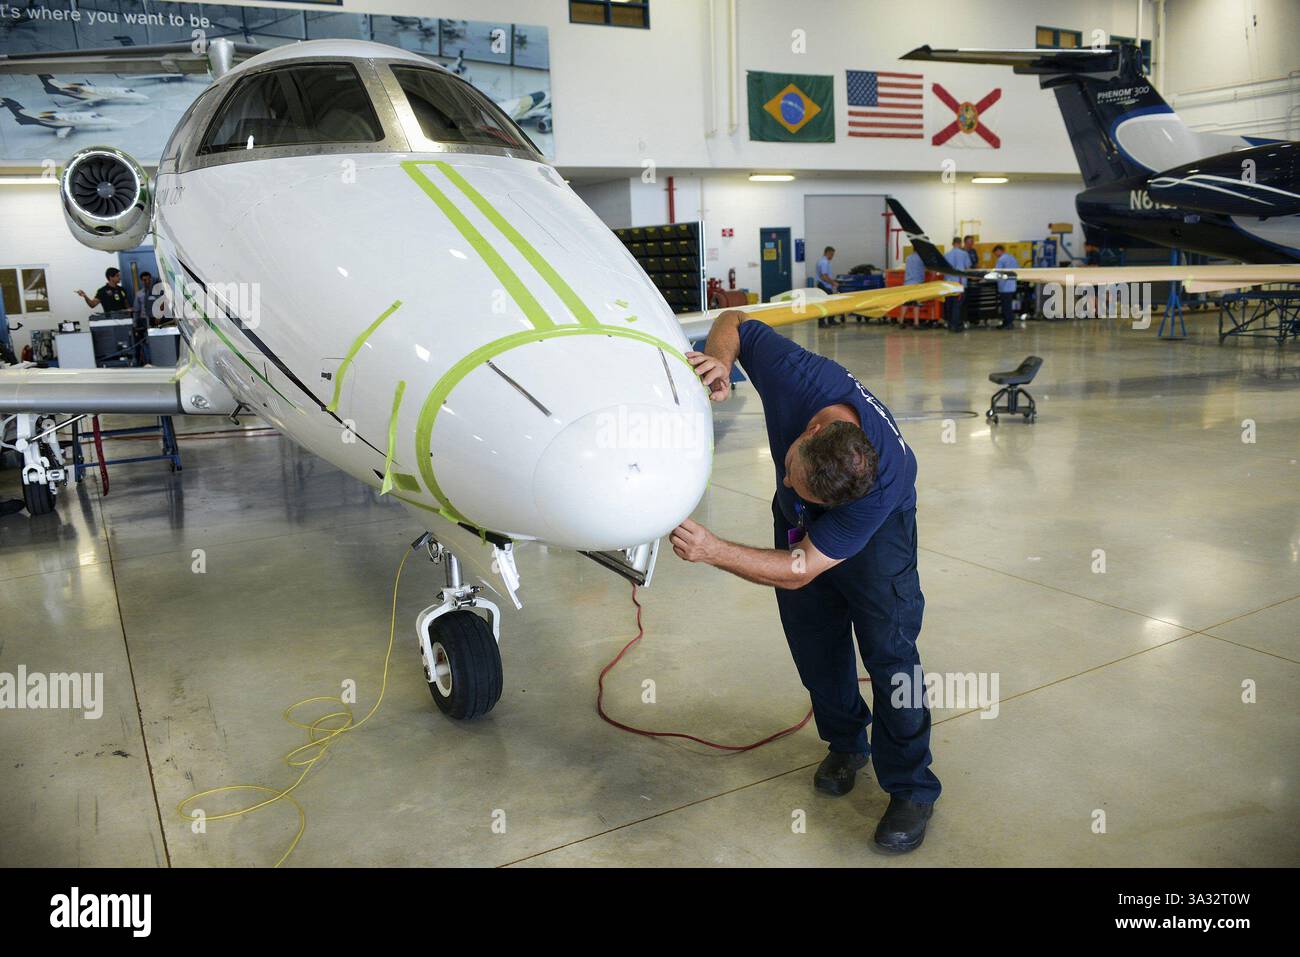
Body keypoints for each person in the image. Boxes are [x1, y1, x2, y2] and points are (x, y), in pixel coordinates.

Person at [672, 311, 942, 853]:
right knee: (813, 638)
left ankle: (913, 787)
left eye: (801, 482)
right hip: (804, 517)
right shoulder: (798, 377)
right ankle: (846, 743)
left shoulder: (878, 487)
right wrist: (721, 362)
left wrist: (713, 550)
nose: (787, 475)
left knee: (890, 654)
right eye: (791, 468)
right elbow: (736, 322)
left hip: (878, 537)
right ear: (813, 430)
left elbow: (800, 569)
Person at [131, 271, 164, 365]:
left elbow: (163, 304)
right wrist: (135, 324)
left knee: (157, 341)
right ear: (142, 281)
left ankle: (159, 359)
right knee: (146, 342)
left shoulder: (158, 292)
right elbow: (136, 310)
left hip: (156, 319)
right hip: (144, 321)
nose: (147, 281)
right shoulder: (139, 294)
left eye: (149, 279)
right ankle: (149, 362)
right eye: (144, 280)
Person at [942, 238, 969, 333]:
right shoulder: (964, 254)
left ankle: (949, 324)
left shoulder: (946, 255)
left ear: (952, 243)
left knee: (949, 305)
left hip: (948, 284)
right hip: (959, 283)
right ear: (960, 243)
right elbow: (967, 266)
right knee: (957, 305)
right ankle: (955, 326)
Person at [992, 244, 1019, 329]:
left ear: (999, 251)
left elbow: (997, 273)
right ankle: (1007, 322)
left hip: (1004, 287)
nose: (995, 255)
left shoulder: (1001, 259)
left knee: (1005, 306)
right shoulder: (1012, 258)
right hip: (1012, 285)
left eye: (995, 253)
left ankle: (1008, 323)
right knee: (1008, 305)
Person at [814, 246, 841, 328]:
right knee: (826, 304)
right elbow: (824, 276)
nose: (832, 257)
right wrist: (833, 283)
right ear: (827, 253)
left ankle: (830, 320)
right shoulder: (824, 262)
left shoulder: (821, 261)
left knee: (827, 304)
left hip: (823, 285)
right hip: (824, 285)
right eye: (832, 254)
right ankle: (822, 322)